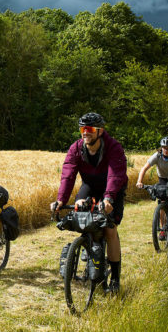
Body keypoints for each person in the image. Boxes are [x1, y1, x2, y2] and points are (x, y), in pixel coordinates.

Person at [50, 113, 128, 294]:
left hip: (112, 188)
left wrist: (108, 198)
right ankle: (88, 243)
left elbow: (115, 175)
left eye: (90, 129)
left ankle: (115, 279)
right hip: (90, 185)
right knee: (80, 212)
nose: (85, 133)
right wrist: (61, 200)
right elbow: (68, 175)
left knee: (110, 230)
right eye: (82, 129)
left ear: (100, 131)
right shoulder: (76, 148)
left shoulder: (113, 147)